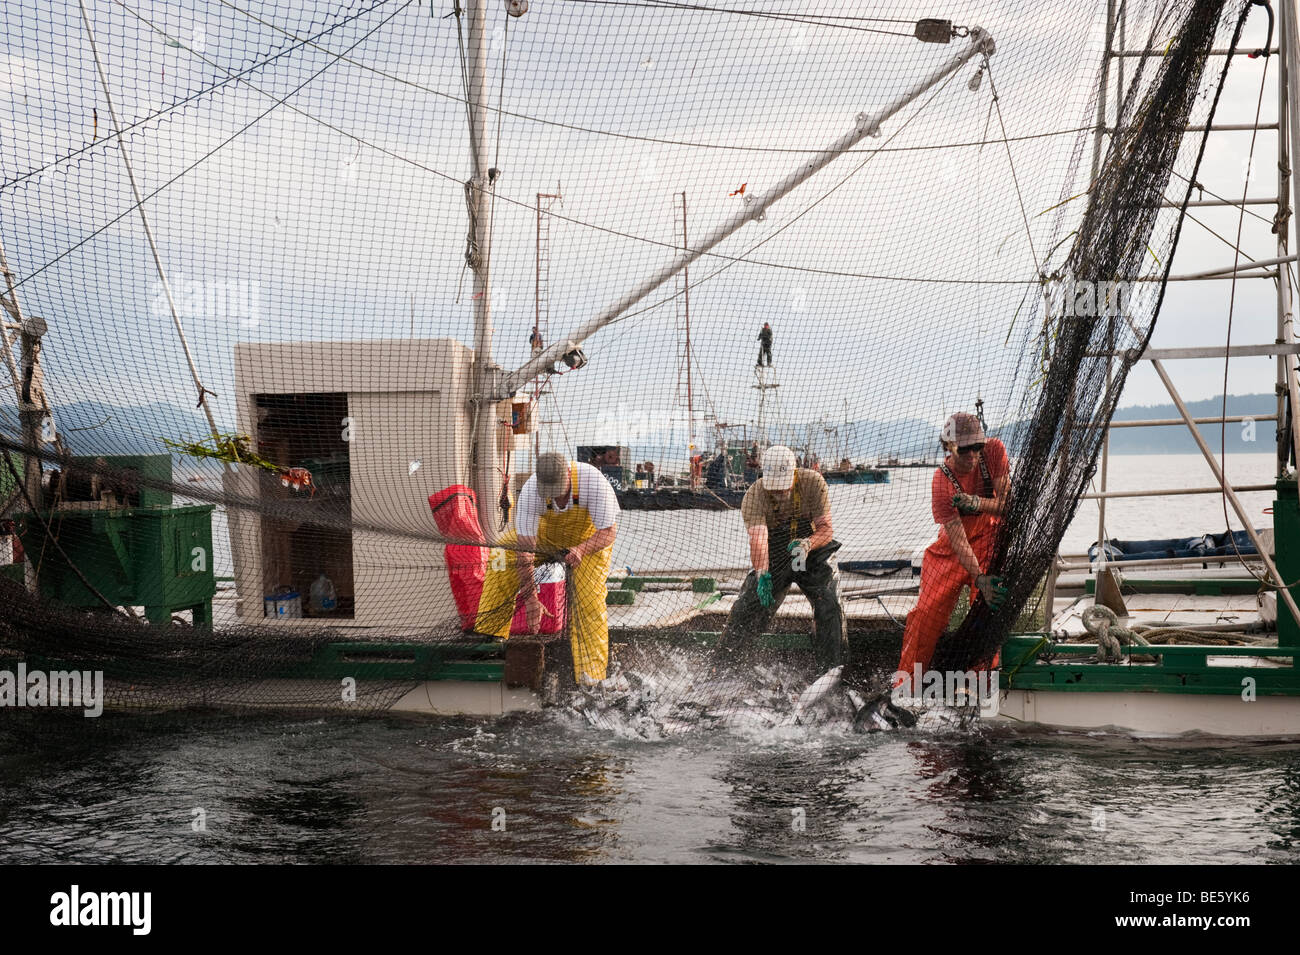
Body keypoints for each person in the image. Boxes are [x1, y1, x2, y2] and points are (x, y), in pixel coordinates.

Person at [479, 451, 620, 683]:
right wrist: (531, 598)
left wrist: (580, 550)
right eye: (550, 493)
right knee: (500, 557)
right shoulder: (530, 491)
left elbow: (608, 532)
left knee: (589, 600)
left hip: (590, 541)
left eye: (560, 491)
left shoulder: (593, 482)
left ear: (568, 473)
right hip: (548, 537)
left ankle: (591, 676)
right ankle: (491, 639)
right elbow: (524, 551)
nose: (557, 498)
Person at [894, 412, 1010, 693]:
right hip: (950, 550)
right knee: (926, 615)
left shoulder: (994, 451)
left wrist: (977, 503)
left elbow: (1007, 504)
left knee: (984, 603)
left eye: (976, 447)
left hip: (988, 539)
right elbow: (957, 540)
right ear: (948, 446)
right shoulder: (941, 481)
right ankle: (906, 684)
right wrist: (979, 576)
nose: (972, 454)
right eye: (964, 448)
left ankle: (978, 680)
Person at [718, 445, 847, 670]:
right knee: (749, 605)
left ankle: (832, 670)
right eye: (774, 489)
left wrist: (808, 544)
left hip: (813, 548)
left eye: (782, 487)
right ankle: (726, 668)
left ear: (794, 473)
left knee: (829, 603)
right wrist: (762, 575)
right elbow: (758, 539)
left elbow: (826, 529)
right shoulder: (754, 496)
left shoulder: (813, 483)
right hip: (775, 550)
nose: (778, 493)